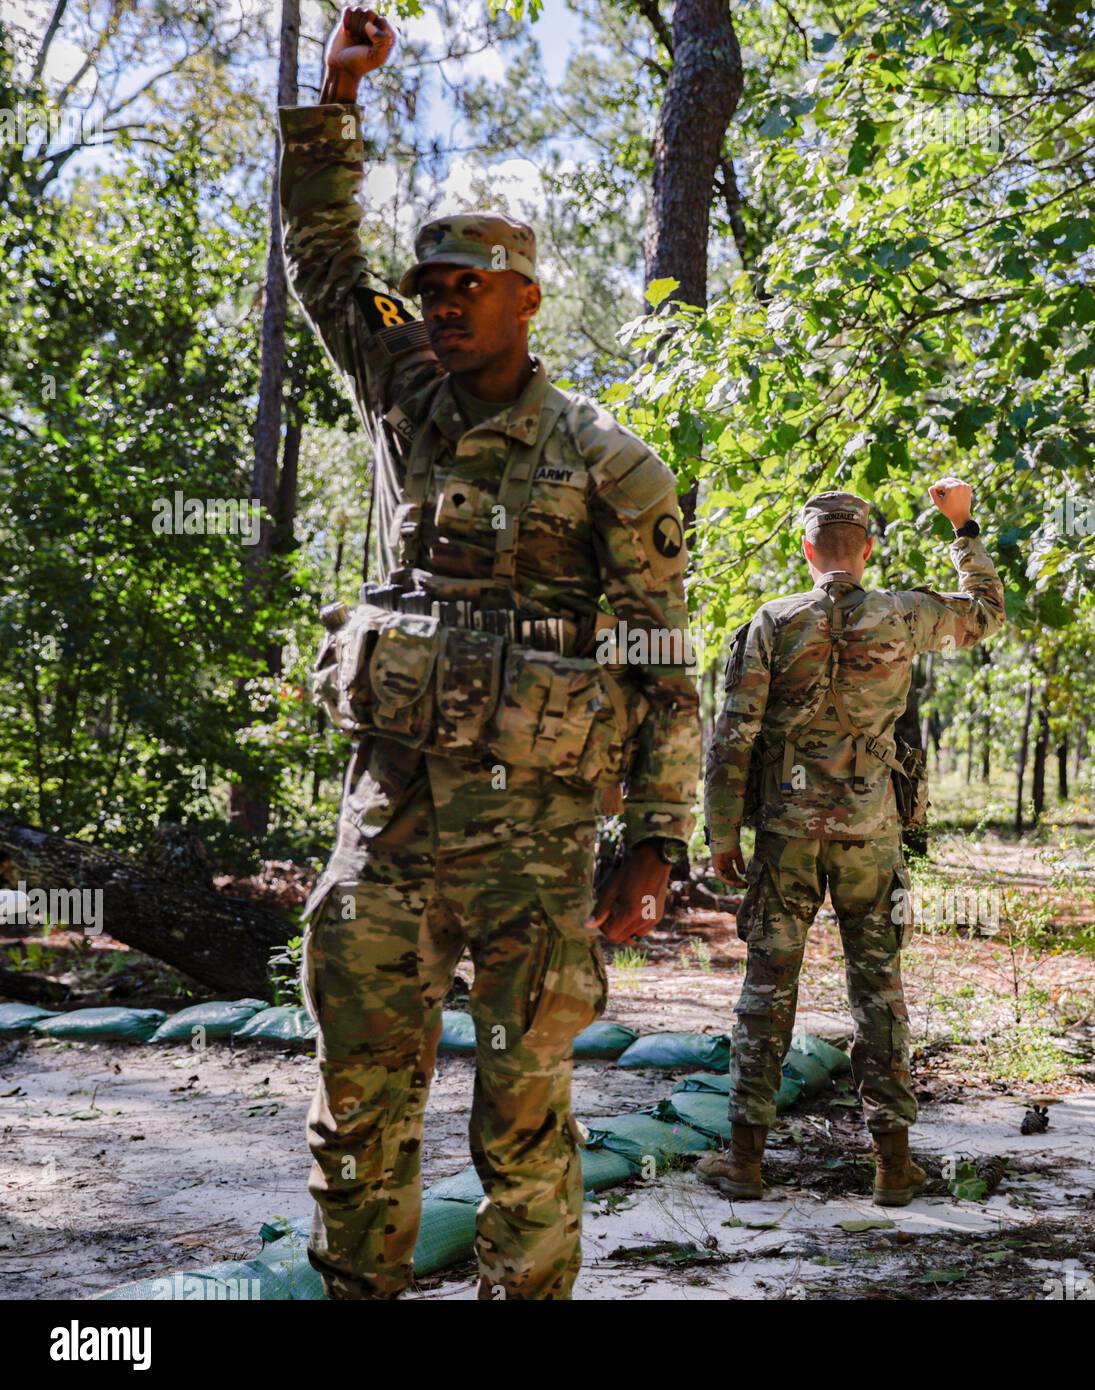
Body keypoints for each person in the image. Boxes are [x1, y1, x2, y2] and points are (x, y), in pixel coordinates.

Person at [281, 7, 699, 1299]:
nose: (447, 306)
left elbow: (658, 654)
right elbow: (322, 261)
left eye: (474, 286)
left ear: (529, 297)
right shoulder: (407, 396)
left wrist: (657, 839)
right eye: (436, 287)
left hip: (533, 842)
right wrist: (336, 103)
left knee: (522, 1120)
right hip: (388, 817)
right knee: (357, 1101)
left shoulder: (609, 462)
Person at [698, 481, 1003, 1205]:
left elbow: (732, 737)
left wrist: (719, 832)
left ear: (807, 550)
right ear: (866, 550)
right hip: (873, 831)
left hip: (787, 832)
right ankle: (893, 1167)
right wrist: (963, 526)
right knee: (879, 989)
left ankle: (745, 1161)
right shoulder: (902, 613)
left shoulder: (772, 622)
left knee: (768, 987)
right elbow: (987, 613)